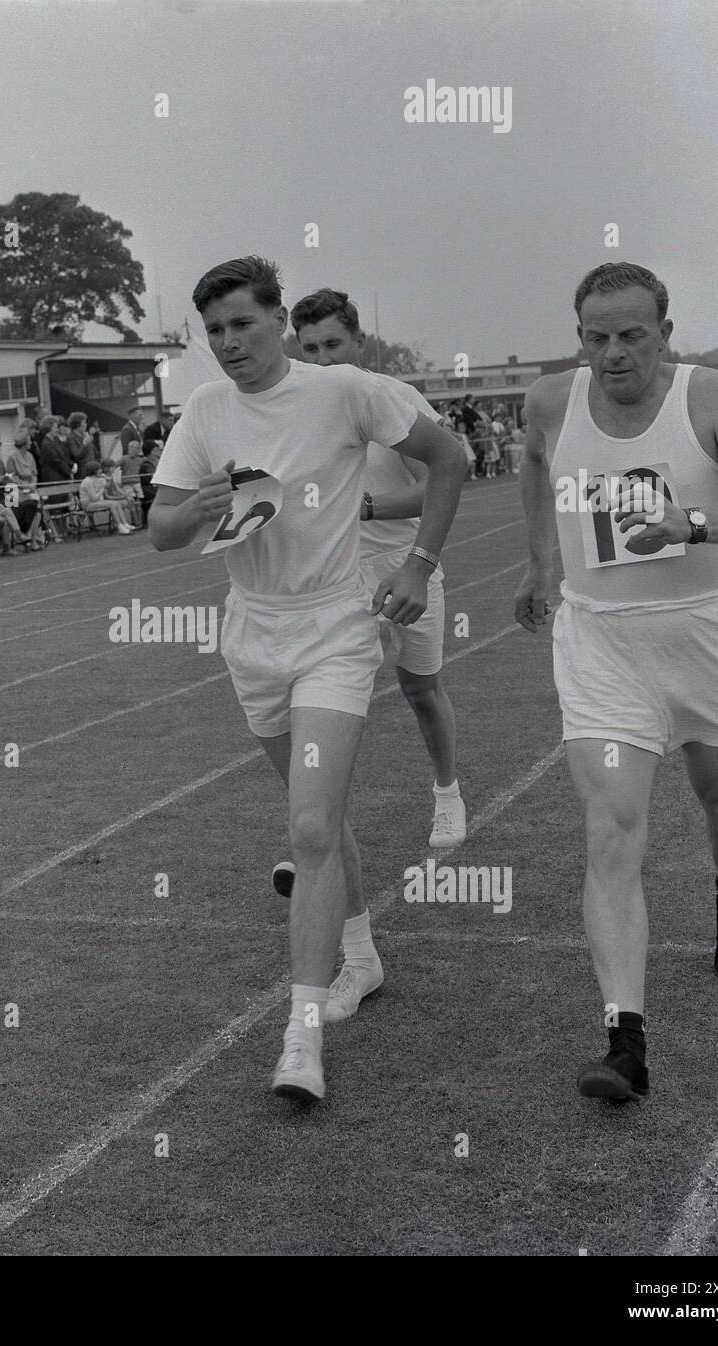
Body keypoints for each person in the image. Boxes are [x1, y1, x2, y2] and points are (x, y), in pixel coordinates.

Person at [149, 256, 465, 1102]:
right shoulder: (207, 411)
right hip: (252, 635)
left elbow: (451, 458)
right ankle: (359, 955)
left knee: (312, 827)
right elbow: (160, 531)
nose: (228, 344)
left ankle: (302, 1035)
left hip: (336, 625)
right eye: (213, 331)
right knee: (314, 817)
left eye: (243, 325)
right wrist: (203, 503)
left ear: (279, 321)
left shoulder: (348, 391)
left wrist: (421, 567)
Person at [514, 261, 718, 1105]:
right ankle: (625, 1039)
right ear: (580, 340)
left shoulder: (708, 396)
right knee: (612, 827)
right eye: (596, 337)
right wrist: (542, 560)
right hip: (599, 641)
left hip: (702, 631)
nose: (613, 354)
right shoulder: (548, 402)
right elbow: (535, 464)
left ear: (664, 334)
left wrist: (692, 522)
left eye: (631, 335)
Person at [293, 287, 467, 870]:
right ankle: (316, 832)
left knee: (421, 690)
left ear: (359, 342)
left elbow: (434, 484)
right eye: (310, 347)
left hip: (403, 563)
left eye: (333, 345)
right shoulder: (289, 406)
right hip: (331, 581)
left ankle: (447, 791)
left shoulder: (394, 398)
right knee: (329, 706)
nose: (322, 359)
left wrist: (366, 510)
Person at [78, 460, 136, 534]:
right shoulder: (87, 481)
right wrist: (103, 488)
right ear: (93, 471)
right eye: (99, 470)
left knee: (117, 503)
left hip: (98, 502)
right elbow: (93, 498)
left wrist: (106, 481)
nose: (101, 471)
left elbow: (108, 486)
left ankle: (125, 524)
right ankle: (120, 526)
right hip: (88, 504)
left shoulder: (99, 479)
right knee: (112, 504)